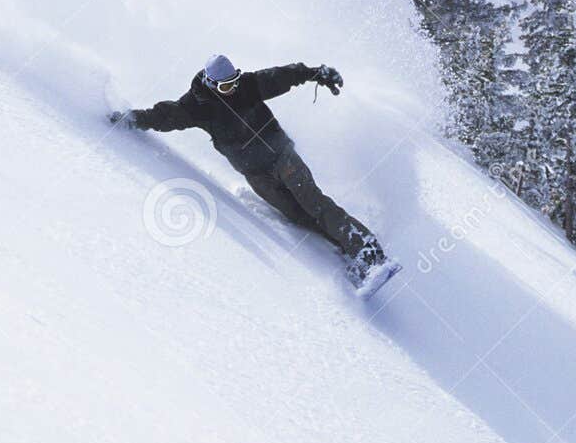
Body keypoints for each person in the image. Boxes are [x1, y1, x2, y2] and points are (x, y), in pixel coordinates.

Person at [111, 54, 387, 286]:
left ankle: (370, 253)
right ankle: (349, 250)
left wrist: (317, 73)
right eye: (223, 86)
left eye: (233, 82)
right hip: (256, 175)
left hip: (282, 157)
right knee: (298, 216)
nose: (230, 89)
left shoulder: (248, 85)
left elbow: (283, 75)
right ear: (209, 83)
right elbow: (165, 116)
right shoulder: (196, 107)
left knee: (314, 203)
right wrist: (134, 119)